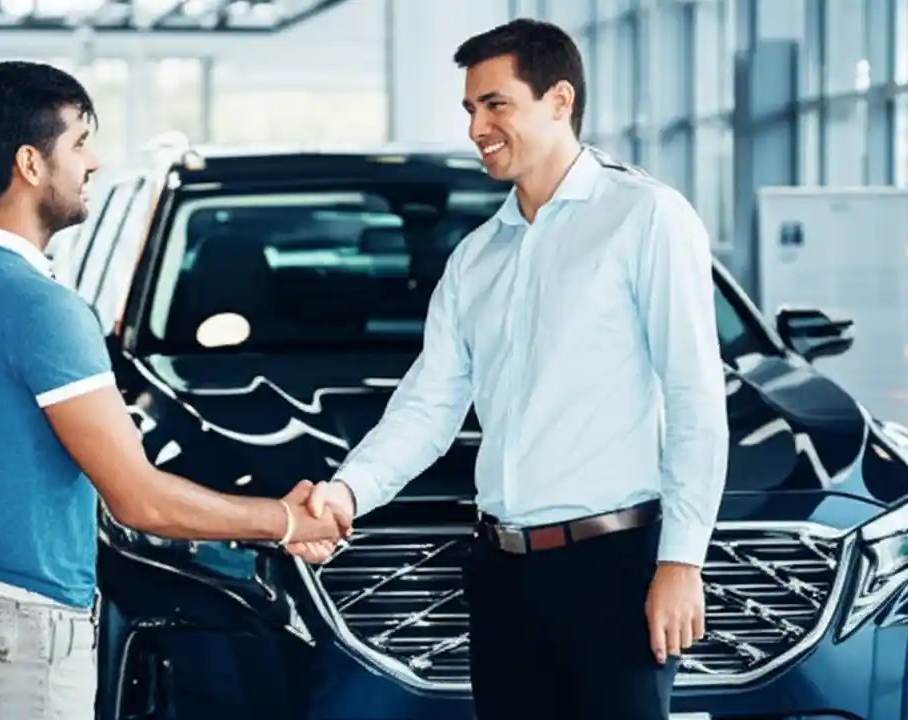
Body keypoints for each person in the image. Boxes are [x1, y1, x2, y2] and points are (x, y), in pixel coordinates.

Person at [289, 18, 729, 720]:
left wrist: (682, 560)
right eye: (470, 108)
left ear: (559, 100)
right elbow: (428, 407)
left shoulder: (644, 217)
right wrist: (345, 495)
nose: (477, 127)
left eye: (496, 104)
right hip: (502, 573)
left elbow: (694, 395)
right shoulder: (476, 258)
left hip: (613, 567)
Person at [0, 61, 349, 720]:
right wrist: (284, 519)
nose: (94, 161)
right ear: (30, 162)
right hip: (23, 640)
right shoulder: (41, 308)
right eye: (79, 141)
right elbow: (138, 499)